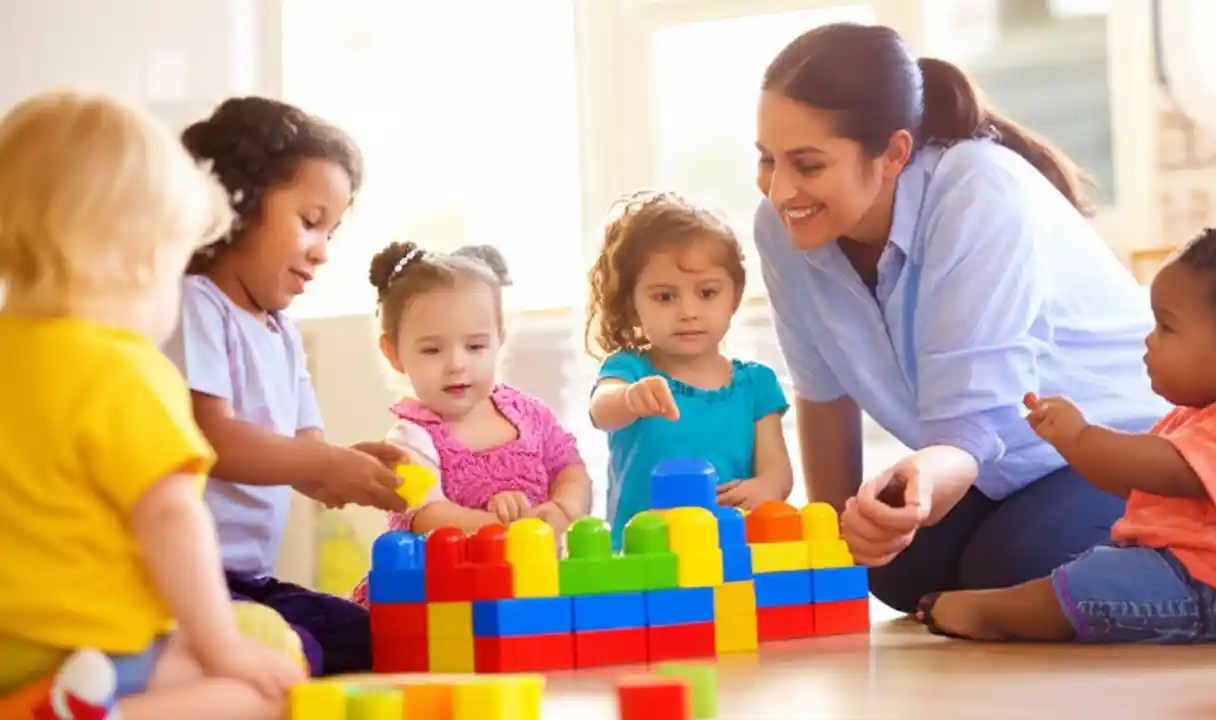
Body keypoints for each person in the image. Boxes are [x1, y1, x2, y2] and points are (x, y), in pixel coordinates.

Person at [752, 22, 1169, 614]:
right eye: (767, 159)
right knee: (891, 572)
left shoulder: (976, 191)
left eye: (808, 164)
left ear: (893, 152)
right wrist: (835, 547)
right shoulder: (782, 228)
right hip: (994, 465)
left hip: (1117, 447)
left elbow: (969, 427)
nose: (781, 189)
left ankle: (1204, 548)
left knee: (1008, 568)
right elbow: (824, 395)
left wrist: (914, 493)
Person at [0, 90, 301, 719]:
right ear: (145, 262)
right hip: (90, 649)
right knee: (267, 679)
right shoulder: (124, 370)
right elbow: (170, 519)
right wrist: (222, 648)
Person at [918, 223, 1216, 642]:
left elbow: (1161, 469)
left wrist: (1079, 436)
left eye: (1167, 327)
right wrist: (1073, 441)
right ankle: (1011, 607)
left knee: (1096, 580)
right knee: (1102, 567)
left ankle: (998, 614)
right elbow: (1132, 483)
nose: (1149, 340)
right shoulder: (1204, 414)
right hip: (1180, 571)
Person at [163, 97, 409, 676]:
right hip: (186, 583)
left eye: (332, 231)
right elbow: (211, 436)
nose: (322, 251)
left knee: (376, 640)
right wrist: (323, 463)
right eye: (309, 221)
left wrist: (344, 467)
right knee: (291, 651)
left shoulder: (282, 335)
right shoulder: (196, 303)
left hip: (250, 580)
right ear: (238, 204)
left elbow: (304, 456)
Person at [350, 242, 592, 605]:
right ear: (394, 353)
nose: (456, 364)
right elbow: (425, 516)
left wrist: (563, 510)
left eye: (475, 347)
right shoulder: (411, 438)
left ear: (499, 341)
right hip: (448, 601)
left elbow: (571, 469)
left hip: (533, 589)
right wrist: (500, 528)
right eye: (432, 350)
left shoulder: (529, 414)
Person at [588, 190, 794, 549]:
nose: (688, 311)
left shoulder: (756, 385)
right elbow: (601, 410)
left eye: (707, 293)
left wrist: (762, 490)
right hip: (643, 560)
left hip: (730, 555)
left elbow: (777, 472)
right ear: (632, 304)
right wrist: (629, 399)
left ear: (734, 296)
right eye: (665, 296)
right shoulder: (629, 370)